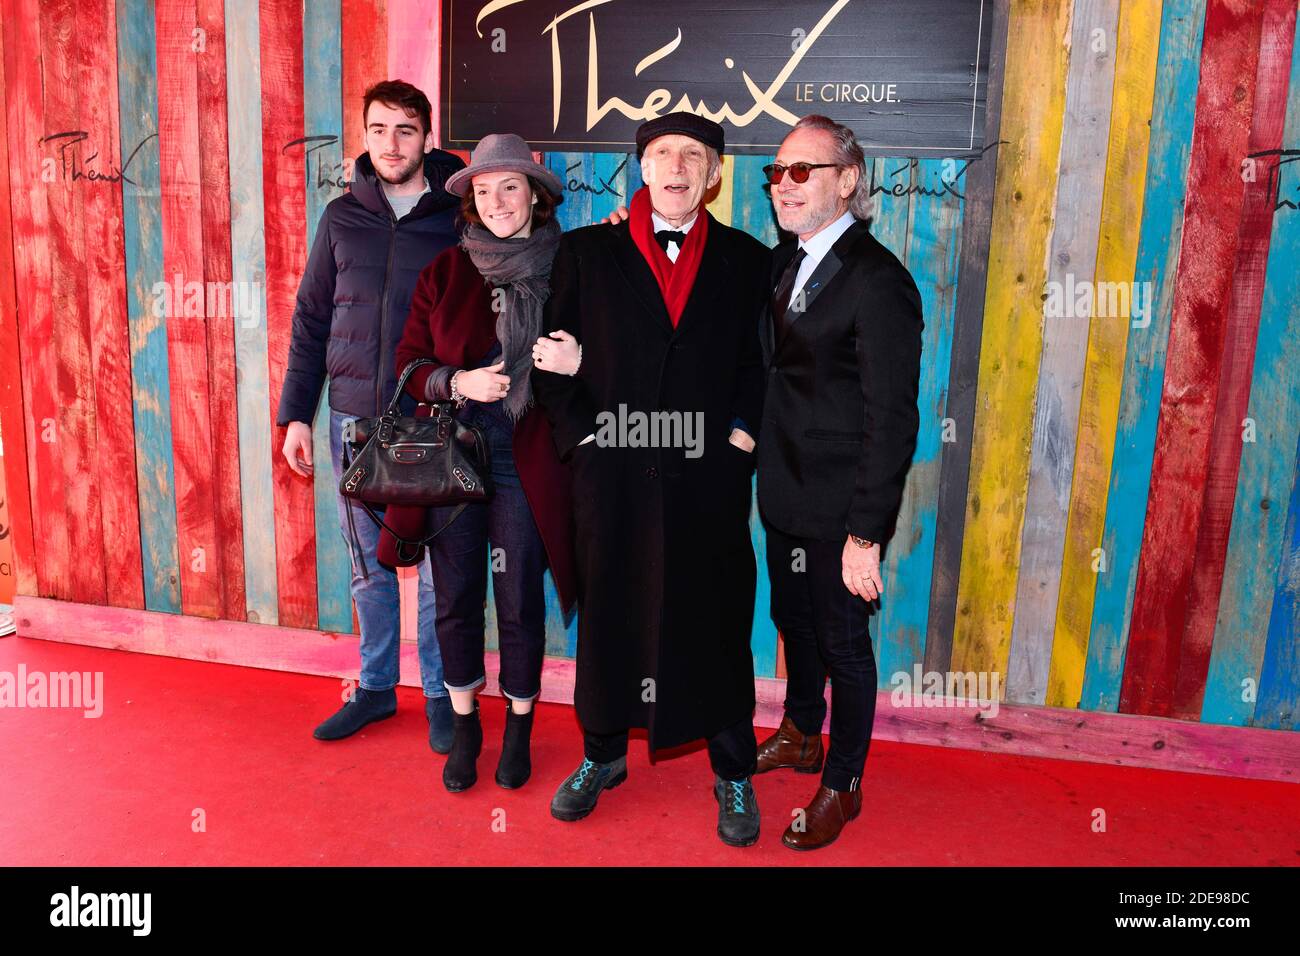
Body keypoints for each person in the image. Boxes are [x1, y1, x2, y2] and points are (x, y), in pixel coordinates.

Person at [531, 112, 770, 847]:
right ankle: (603, 756)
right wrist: (586, 446)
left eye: (693, 156)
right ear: (641, 168)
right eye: (663, 153)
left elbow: (760, 370)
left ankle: (733, 770)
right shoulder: (583, 253)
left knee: (717, 621)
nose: (677, 166)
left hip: (708, 482)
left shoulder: (749, 260)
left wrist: (738, 445)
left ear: (714, 174)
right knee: (609, 619)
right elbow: (551, 364)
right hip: (613, 481)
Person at [381, 134, 579, 792]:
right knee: (457, 597)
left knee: (519, 596)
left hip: (527, 458)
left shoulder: (570, 268)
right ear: (470, 201)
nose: (496, 201)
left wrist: (577, 362)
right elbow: (408, 366)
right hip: (455, 456)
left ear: (535, 196)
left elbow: (606, 354)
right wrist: (456, 383)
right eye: (483, 190)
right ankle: (466, 725)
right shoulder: (445, 272)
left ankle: (519, 726)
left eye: (510, 187)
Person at [276, 80, 463, 752]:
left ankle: (445, 697)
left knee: (440, 568)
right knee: (368, 566)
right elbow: (312, 318)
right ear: (364, 136)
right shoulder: (339, 218)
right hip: (350, 419)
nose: (391, 143)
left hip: (428, 420)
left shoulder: (457, 217)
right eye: (379, 129)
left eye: (405, 130)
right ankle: (377, 687)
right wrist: (296, 414)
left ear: (426, 137)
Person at [754, 115, 923, 850]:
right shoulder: (783, 263)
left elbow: (893, 420)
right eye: (777, 173)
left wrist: (866, 534)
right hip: (783, 496)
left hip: (840, 508)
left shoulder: (880, 281)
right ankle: (800, 731)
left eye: (802, 172)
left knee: (844, 645)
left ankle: (843, 785)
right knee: (795, 622)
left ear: (847, 181)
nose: (783, 186)